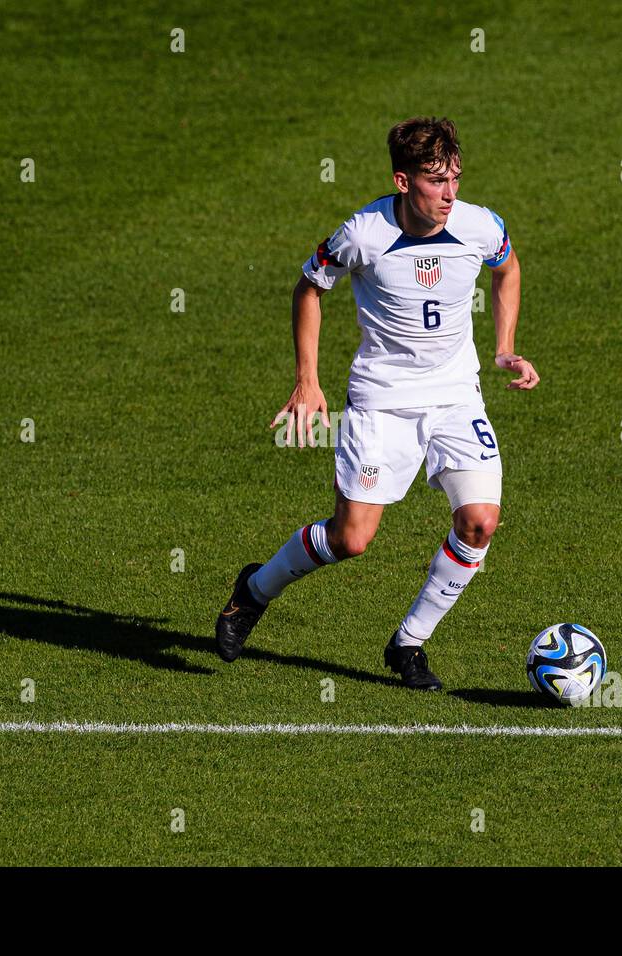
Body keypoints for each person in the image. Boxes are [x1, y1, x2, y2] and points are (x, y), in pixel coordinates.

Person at [216, 116, 539, 690]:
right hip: (382, 401)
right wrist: (307, 379)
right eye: (436, 180)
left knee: (479, 522)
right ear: (402, 180)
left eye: (455, 178)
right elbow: (310, 288)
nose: (449, 193)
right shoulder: (363, 234)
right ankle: (254, 590)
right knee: (352, 540)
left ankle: (409, 643)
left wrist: (505, 346)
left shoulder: (479, 226)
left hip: (456, 395)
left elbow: (507, 268)